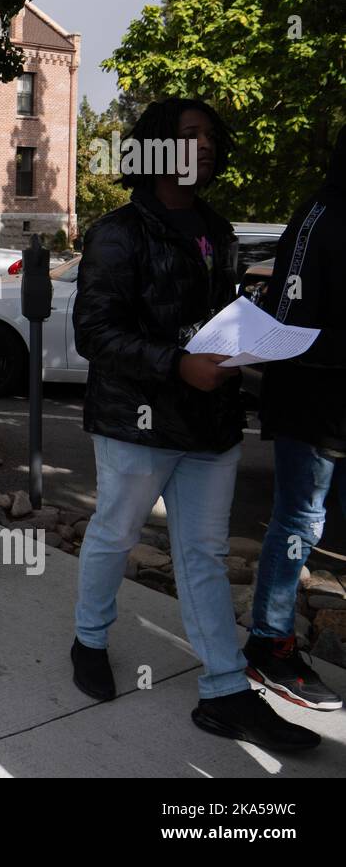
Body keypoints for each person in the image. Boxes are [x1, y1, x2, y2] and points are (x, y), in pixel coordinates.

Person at [71, 97, 319, 752]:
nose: (204, 144)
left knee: (203, 554)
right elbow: (94, 332)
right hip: (137, 421)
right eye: (188, 134)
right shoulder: (118, 232)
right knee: (116, 532)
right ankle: (89, 638)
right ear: (155, 146)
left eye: (211, 135)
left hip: (209, 424)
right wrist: (177, 363)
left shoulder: (219, 228)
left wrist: (246, 348)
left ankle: (225, 690)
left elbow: (216, 320)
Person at [246, 126, 346, 711]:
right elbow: (286, 327)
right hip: (313, 408)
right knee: (300, 523)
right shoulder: (322, 213)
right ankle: (270, 642)